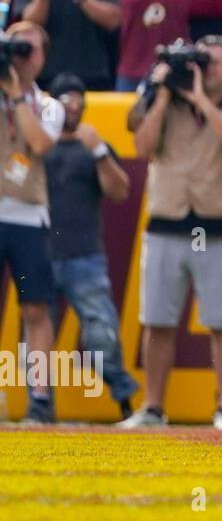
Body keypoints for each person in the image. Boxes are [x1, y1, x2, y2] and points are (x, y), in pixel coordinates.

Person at [123, 34, 222, 430]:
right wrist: (163, 95)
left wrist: (200, 99)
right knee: (157, 319)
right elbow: (142, 144)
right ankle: (152, 408)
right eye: (201, 61)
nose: (206, 68)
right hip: (166, 223)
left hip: (218, 227)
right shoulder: (164, 104)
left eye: (213, 62)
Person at [44, 72, 138, 421]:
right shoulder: (38, 142)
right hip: (40, 254)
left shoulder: (94, 146)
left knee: (102, 334)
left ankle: (125, 401)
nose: (73, 104)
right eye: (65, 98)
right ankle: (40, 406)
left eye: (78, 98)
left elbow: (120, 191)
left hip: (85, 254)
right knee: (36, 339)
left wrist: (98, 150)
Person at [0, 21, 62, 423]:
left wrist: (16, 96)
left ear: (41, 57)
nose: (22, 57)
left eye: (29, 49)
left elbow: (39, 144)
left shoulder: (49, 105)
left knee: (36, 309)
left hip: (28, 216)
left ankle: (40, 396)